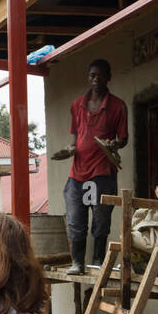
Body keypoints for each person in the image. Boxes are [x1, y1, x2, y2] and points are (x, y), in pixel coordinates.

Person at [56, 58, 128, 274]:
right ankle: (77, 263)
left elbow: (124, 138)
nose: (96, 79)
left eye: (100, 75)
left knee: (100, 220)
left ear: (109, 77)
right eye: (92, 76)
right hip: (77, 174)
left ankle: (97, 262)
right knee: (76, 221)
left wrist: (113, 144)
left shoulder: (117, 106)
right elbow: (74, 137)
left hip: (101, 173)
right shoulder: (77, 105)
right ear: (88, 78)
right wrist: (69, 150)